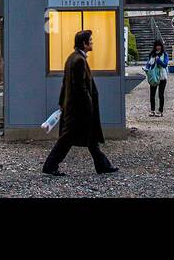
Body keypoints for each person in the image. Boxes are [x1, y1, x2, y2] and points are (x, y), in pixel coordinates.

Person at [43, 30, 118, 176]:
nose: (92, 42)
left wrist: (61, 102)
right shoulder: (79, 60)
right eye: (90, 40)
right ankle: (49, 165)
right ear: (84, 43)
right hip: (79, 109)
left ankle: (102, 165)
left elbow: (65, 83)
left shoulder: (72, 58)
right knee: (67, 138)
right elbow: (80, 87)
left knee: (90, 138)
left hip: (74, 106)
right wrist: (89, 105)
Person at [143, 39, 169, 116]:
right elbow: (148, 64)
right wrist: (146, 69)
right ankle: (152, 110)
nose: (158, 47)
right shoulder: (151, 54)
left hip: (162, 76)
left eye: (159, 45)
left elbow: (165, 65)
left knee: (161, 94)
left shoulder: (164, 54)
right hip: (153, 76)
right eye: (157, 46)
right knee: (152, 94)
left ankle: (160, 111)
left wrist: (158, 60)